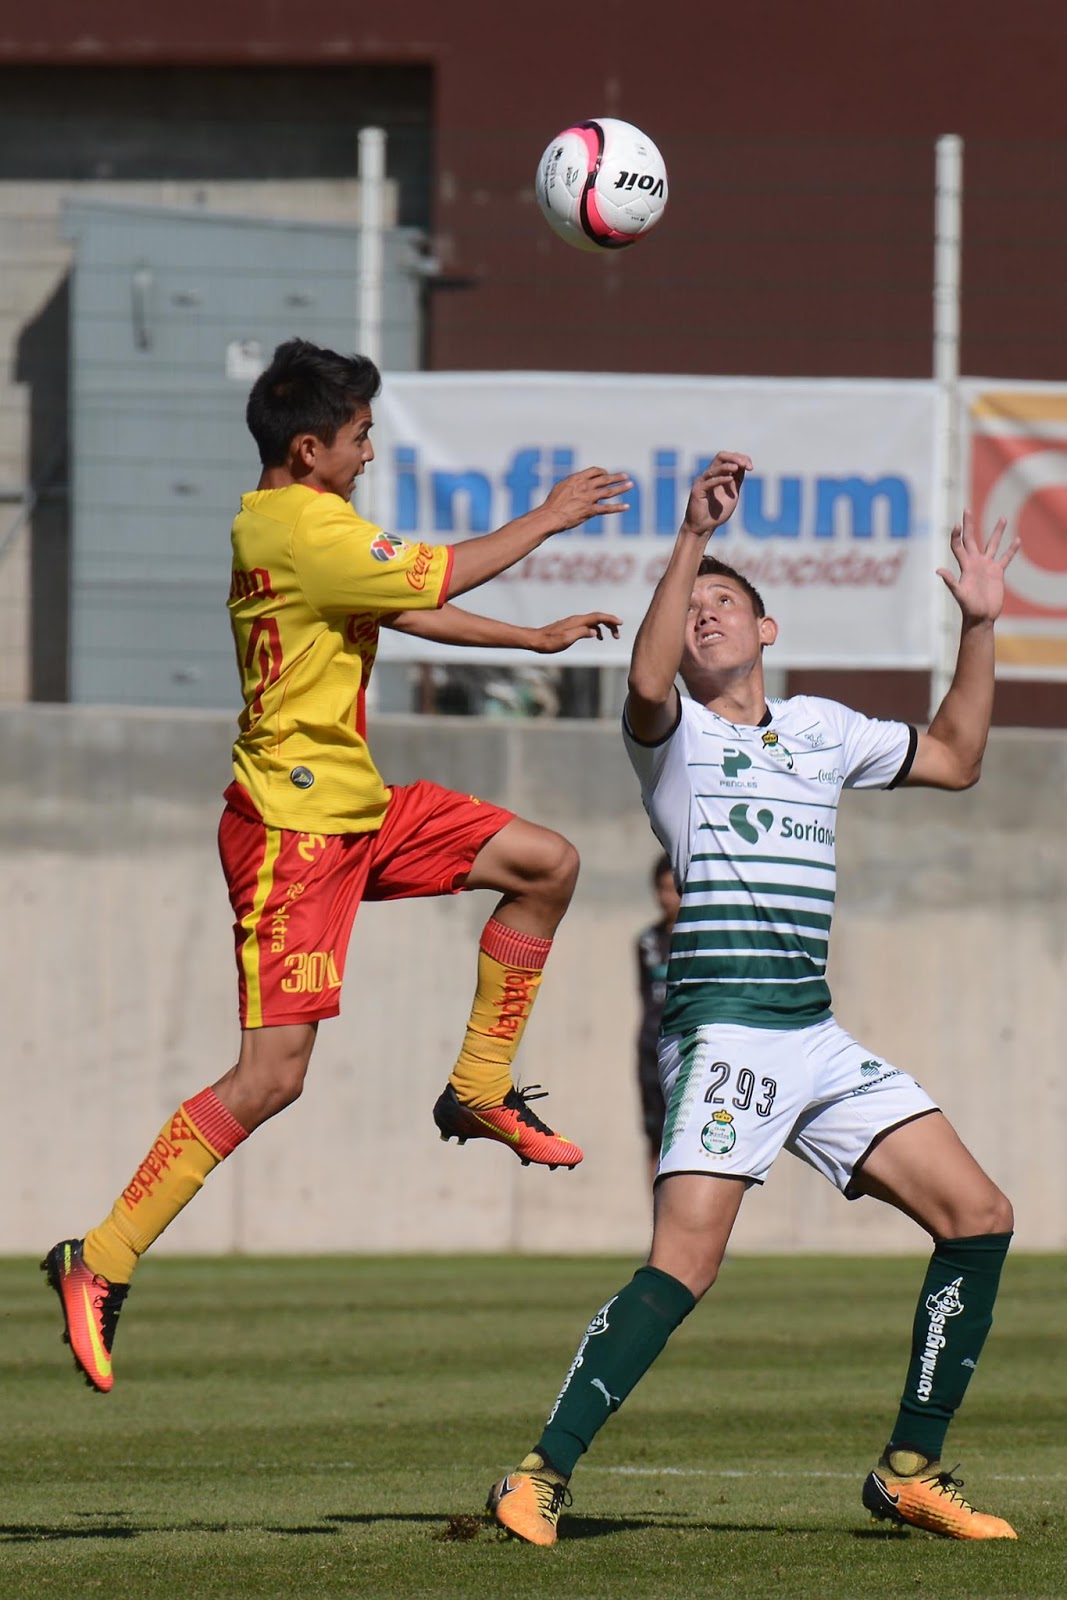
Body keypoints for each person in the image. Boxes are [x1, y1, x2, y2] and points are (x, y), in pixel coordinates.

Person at [42, 337, 631, 1394]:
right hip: (290, 835)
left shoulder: (293, 523)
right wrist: (546, 518)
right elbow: (438, 570)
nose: (369, 453)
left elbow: (400, 604)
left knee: (545, 862)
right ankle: (101, 1256)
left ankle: (478, 1085)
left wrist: (528, 642)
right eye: (359, 437)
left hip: (356, 808)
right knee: (272, 1077)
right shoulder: (308, 525)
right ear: (309, 447)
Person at [487, 451, 1021, 1545]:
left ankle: (909, 1467)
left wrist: (975, 624)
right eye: (691, 607)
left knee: (979, 1217)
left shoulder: (822, 730)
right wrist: (686, 540)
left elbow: (959, 756)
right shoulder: (674, 740)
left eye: (725, 602)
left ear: (767, 631)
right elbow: (640, 685)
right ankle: (537, 1474)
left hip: (812, 1034)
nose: (704, 618)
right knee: (684, 1263)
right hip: (725, 1029)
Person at [635, 853, 680, 1182]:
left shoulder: (703, 941)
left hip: (689, 1047)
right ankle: (658, 1224)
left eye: (674, 889)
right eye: (662, 889)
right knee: (656, 1138)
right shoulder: (647, 942)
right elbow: (645, 995)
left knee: (684, 1140)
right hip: (652, 1047)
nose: (668, 898)